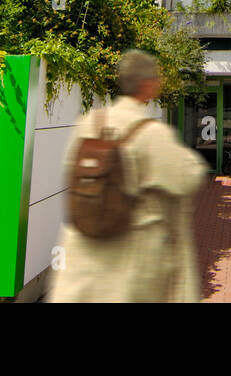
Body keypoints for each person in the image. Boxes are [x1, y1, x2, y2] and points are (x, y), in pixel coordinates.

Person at [47, 49, 209, 303]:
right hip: (126, 268)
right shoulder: (151, 132)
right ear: (147, 85)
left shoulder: (89, 123)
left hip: (82, 264)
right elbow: (188, 176)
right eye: (156, 79)